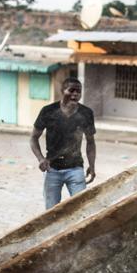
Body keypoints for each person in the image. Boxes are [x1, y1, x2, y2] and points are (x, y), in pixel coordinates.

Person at [30, 77, 96, 210]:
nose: (75, 94)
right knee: (51, 212)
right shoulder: (48, 111)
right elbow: (33, 138)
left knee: (82, 208)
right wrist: (41, 159)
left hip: (76, 169)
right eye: (71, 90)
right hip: (52, 169)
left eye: (78, 91)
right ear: (62, 91)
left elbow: (90, 142)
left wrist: (92, 166)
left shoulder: (86, 113)